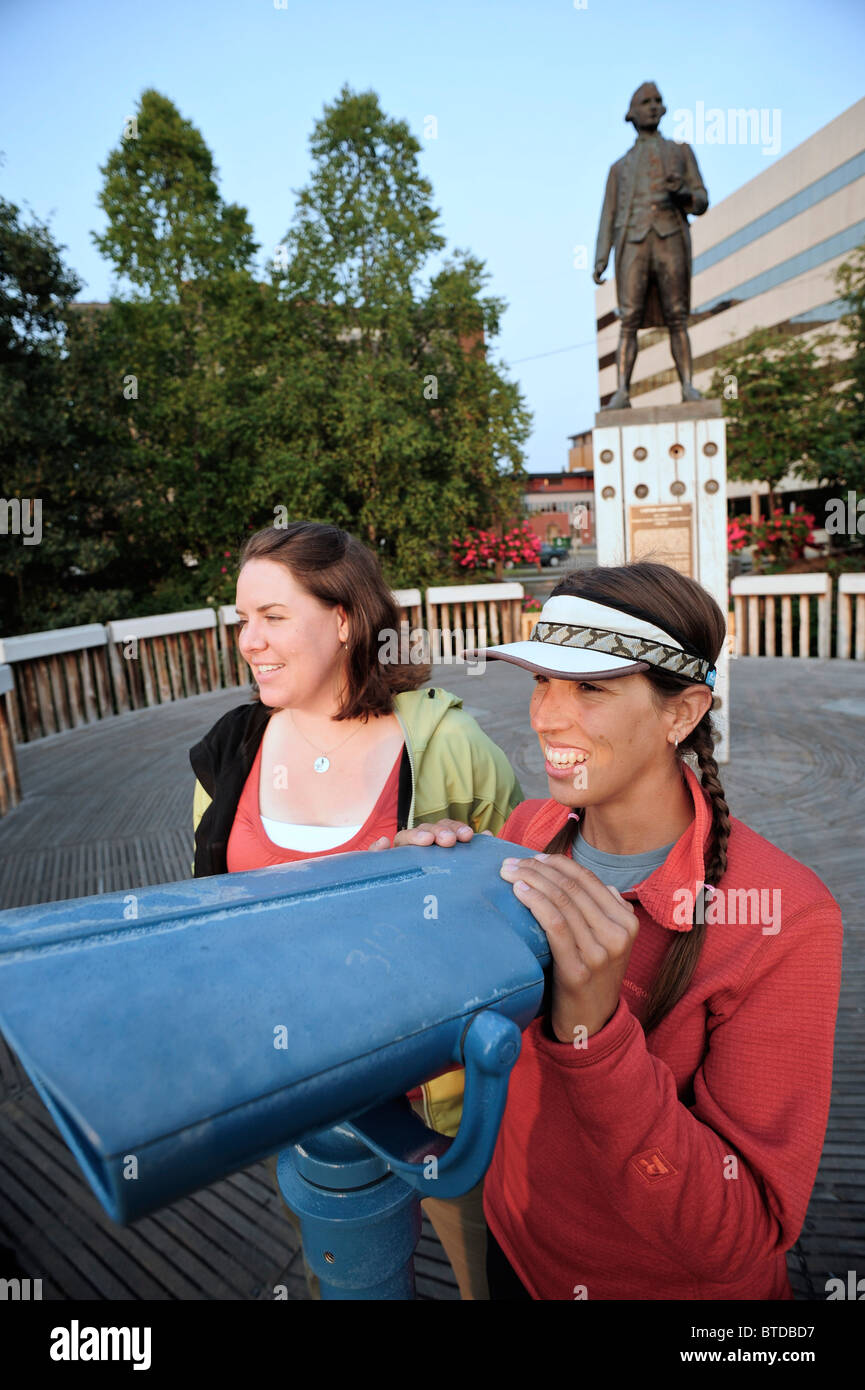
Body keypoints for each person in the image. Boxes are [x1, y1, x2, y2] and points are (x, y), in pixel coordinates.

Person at [388, 562, 842, 1300]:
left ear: (680, 711)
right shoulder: (528, 830)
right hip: (516, 1241)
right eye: (541, 681)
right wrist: (422, 908)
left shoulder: (784, 916)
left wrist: (596, 1036)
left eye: (589, 687)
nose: (544, 716)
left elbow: (743, 1233)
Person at [188, 521, 522, 1300]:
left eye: (273, 617)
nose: (249, 641)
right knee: (343, 1269)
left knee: (490, 1276)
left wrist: (449, 877)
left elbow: (524, 899)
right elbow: (212, 917)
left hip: (442, 1101)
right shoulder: (226, 753)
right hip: (300, 1091)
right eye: (243, 620)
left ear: (343, 620)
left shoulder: (449, 745)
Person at [594, 81, 708, 408]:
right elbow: (608, 213)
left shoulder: (681, 152)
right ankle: (622, 393)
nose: (654, 106)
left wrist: (683, 194)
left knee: (677, 315)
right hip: (633, 240)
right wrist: (601, 257)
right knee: (628, 318)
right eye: (646, 102)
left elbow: (701, 200)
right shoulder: (619, 168)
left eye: (658, 100)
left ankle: (688, 387)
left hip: (670, 236)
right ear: (631, 113)